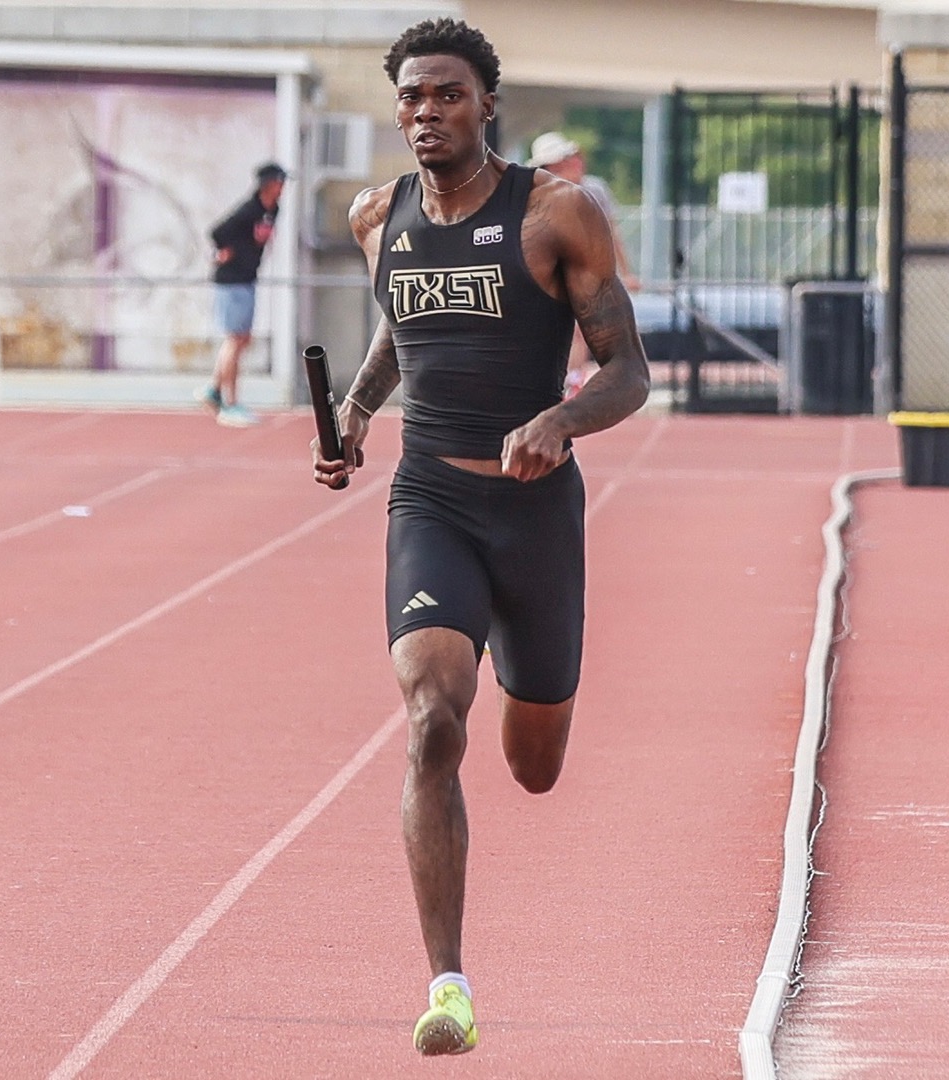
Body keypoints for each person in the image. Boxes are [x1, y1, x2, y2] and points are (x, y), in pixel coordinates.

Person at [312, 17, 649, 1057]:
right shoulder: (378, 216)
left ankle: (531, 677)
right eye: (412, 97)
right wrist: (359, 415)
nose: (427, 113)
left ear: (487, 104)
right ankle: (448, 985)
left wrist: (563, 419)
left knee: (535, 762)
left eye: (447, 95)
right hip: (433, 503)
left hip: (536, 512)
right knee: (431, 722)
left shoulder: (558, 214)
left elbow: (630, 371)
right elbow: (397, 333)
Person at [526, 130, 639, 394]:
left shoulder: (594, 189)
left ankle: (574, 380)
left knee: (583, 327)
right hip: (551, 268)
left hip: (587, 267)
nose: (574, 162)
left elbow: (612, 234)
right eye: (563, 159)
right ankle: (554, 378)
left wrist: (626, 272)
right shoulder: (540, 192)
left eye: (572, 157)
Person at [198, 163, 286, 428]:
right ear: (269, 184)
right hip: (232, 280)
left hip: (248, 278)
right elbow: (217, 232)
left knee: (243, 338)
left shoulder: (272, 211)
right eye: (280, 182)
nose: (283, 188)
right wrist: (225, 252)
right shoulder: (248, 210)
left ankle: (213, 390)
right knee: (235, 339)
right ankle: (230, 403)